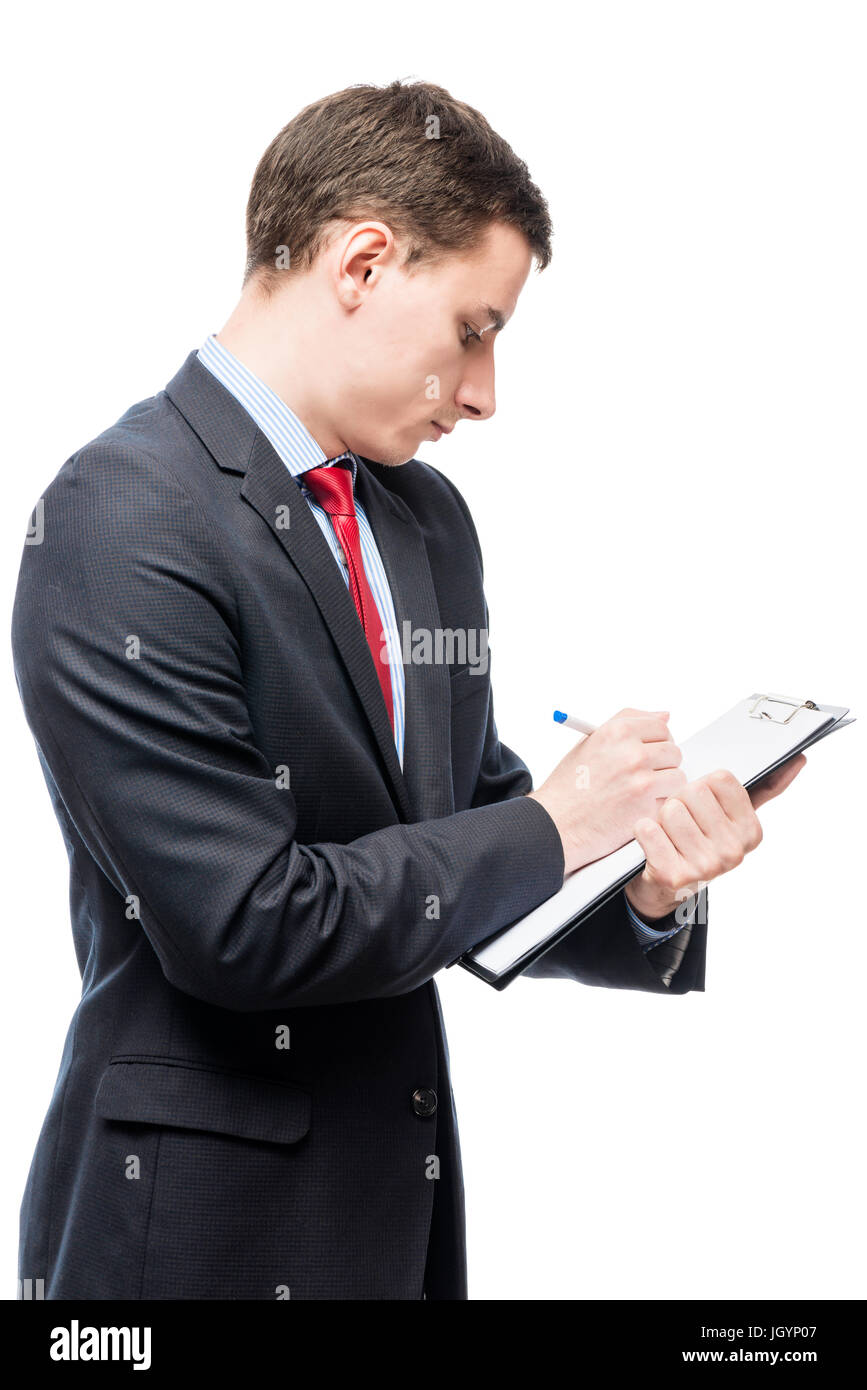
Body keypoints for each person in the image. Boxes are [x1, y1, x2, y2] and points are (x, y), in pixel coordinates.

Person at [11, 78, 804, 1301]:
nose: (485, 394)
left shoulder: (425, 521)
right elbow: (246, 925)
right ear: (363, 261)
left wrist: (644, 877)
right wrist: (554, 821)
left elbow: (471, 835)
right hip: (193, 1242)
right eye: (474, 329)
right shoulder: (118, 518)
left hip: (399, 1225)